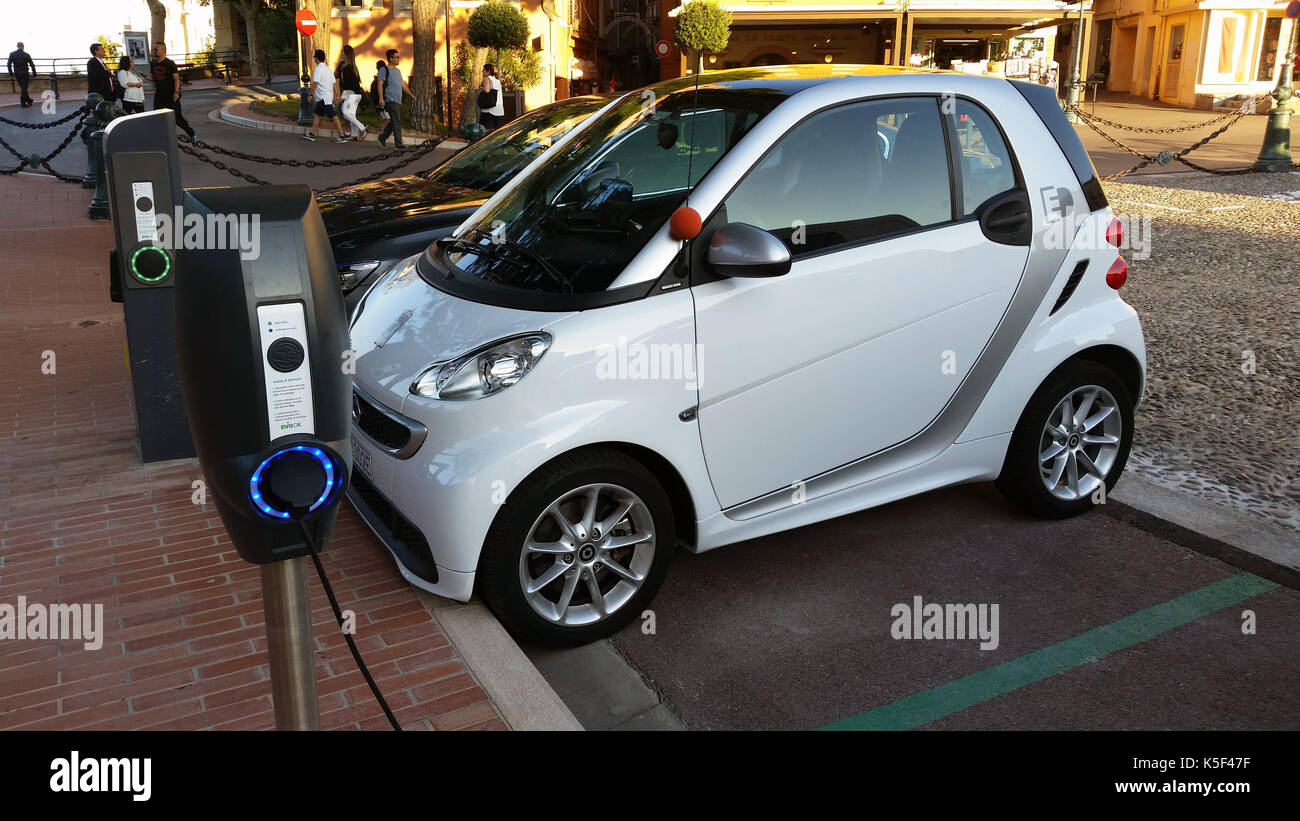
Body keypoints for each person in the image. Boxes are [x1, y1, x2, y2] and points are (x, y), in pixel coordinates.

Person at [149, 43, 195, 138]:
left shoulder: (170, 63)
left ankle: (191, 134)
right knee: (158, 117)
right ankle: (163, 138)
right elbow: (155, 77)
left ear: (163, 50)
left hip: (170, 95)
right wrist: (147, 77)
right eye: (154, 49)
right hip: (159, 95)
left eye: (156, 49)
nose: (154, 51)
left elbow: (176, 79)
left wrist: (176, 92)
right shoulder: (153, 63)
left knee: (177, 118)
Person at [304, 49, 347, 142]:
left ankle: (342, 135)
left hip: (323, 99)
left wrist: (311, 94)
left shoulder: (318, 69)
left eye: (315, 57)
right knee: (316, 115)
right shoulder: (328, 69)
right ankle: (312, 134)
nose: (314, 59)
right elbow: (334, 84)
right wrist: (337, 95)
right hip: (325, 98)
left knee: (334, 117)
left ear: (317, 58)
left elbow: (315, 83)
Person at [377, 49, 414, 151]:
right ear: (391, 58)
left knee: (393, 121)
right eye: (397, 57)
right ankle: (398, 145)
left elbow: (402, 84)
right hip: (390, 99)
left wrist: (411, 95)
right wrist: (381, 98)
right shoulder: (384, 70)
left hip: (397, 100)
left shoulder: (398, 71)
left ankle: (382, 138)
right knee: (397, 121)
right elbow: (380, 84)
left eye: (399, 57)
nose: (399, 59)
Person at [336, 45, 365, 141]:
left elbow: (347, 84)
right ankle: (354, 134)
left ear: (345, 53)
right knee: (352, 115)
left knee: (346, 114)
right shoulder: (353, 67)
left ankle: (362, 128)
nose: (341, 53)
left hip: (350, 93)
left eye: (342, 51)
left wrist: (343, 95)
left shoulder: (344, 66)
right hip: (357, 94)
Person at [7, 42, 36, 108]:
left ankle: (29, 100)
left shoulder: (12, 54)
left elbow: (9, 64)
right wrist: (34, 73)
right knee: (24, 88)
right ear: (22, 46)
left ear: (17, 46)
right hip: (24, 73)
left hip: (17, 73)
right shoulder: (26, 55)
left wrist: (11, 73)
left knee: (23, 88)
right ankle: (23, 103)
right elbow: (32, 64)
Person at [478, 63, 504, 131]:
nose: (482, 71)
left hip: (489, 109)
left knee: (481, 128)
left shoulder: (487, 79)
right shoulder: (497, 81)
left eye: (484, 70)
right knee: (498, 130)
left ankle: (478, 141)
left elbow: (487, 90)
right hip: (499, 108)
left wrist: (480, 87)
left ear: (488, 71)